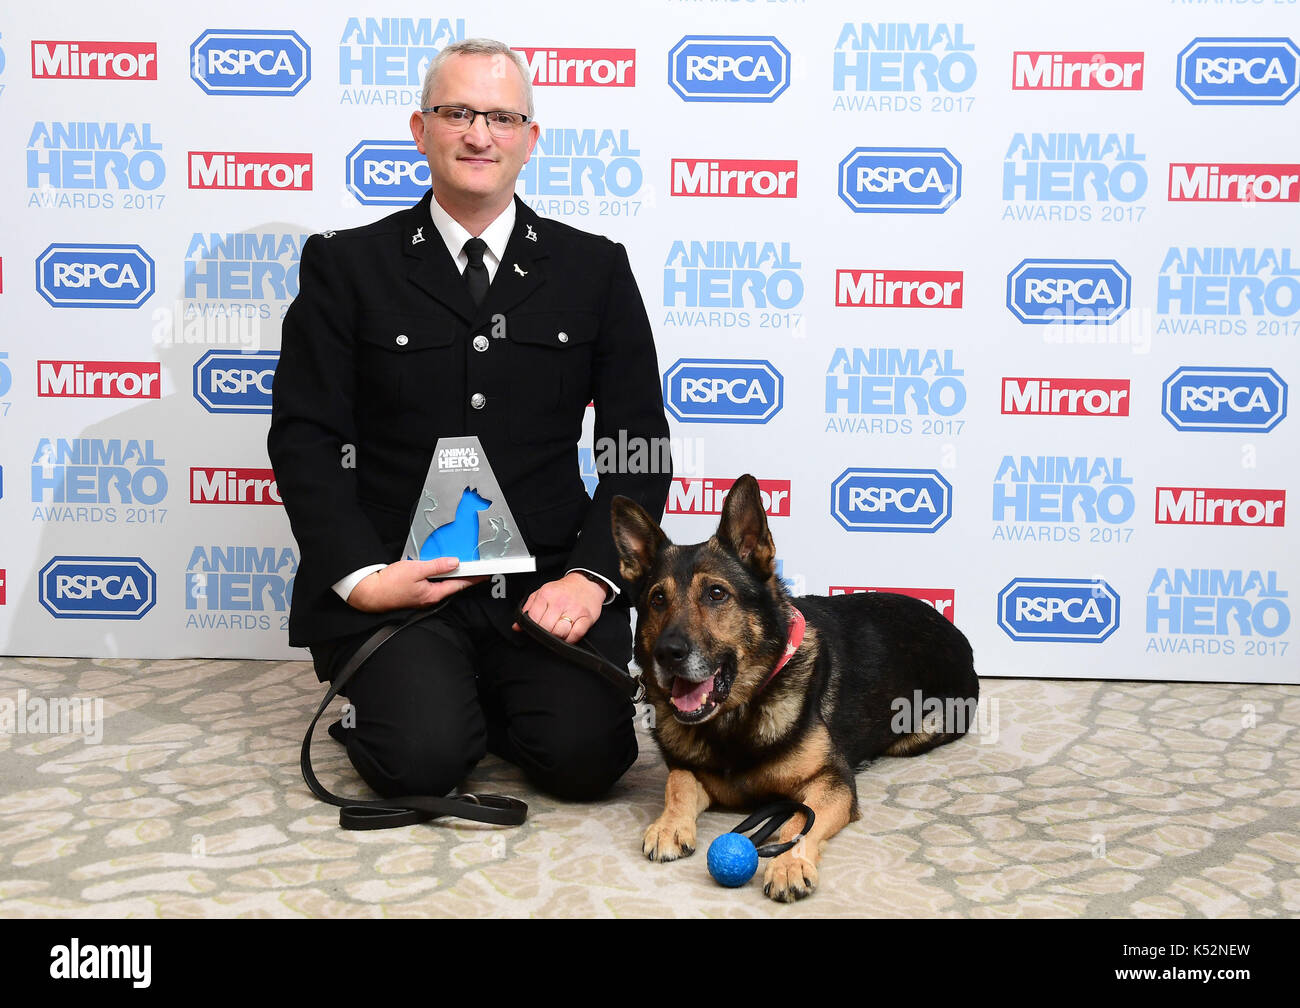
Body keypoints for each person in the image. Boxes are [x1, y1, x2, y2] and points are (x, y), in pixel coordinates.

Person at [268, 38, 671, 805]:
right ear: (421, 130)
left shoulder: (595, 268)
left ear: (530, 139)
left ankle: (491, 697)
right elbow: (305, 438)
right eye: (457, 113)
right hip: (402, 578)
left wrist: (591, 579)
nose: (479, 134)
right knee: (420, 763)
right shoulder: (346, 265)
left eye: (501, 117)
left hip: (545, 581)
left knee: (587, 761)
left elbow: (637, 447)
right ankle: (423, 700)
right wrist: (361, 579)